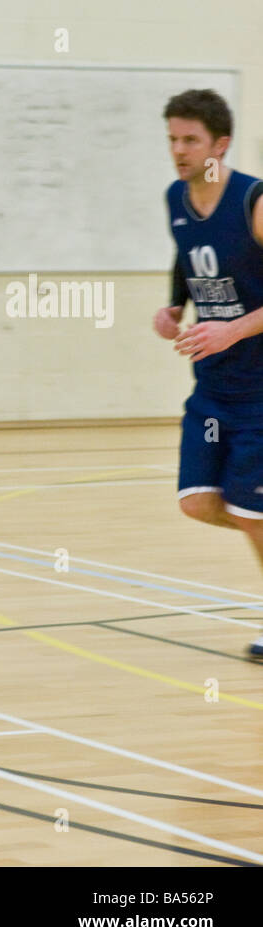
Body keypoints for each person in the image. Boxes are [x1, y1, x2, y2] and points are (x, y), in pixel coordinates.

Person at [154, 89, 263, 660]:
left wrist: (233, 329)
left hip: (260, 388)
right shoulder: (176, 196)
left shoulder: (254, 202)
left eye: (190, 140)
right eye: (172, 138)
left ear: (221, 143)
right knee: (199, 501)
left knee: (251, 510)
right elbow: (187, 251)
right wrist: (174, 305)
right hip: (214, 387)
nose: (178, 150)